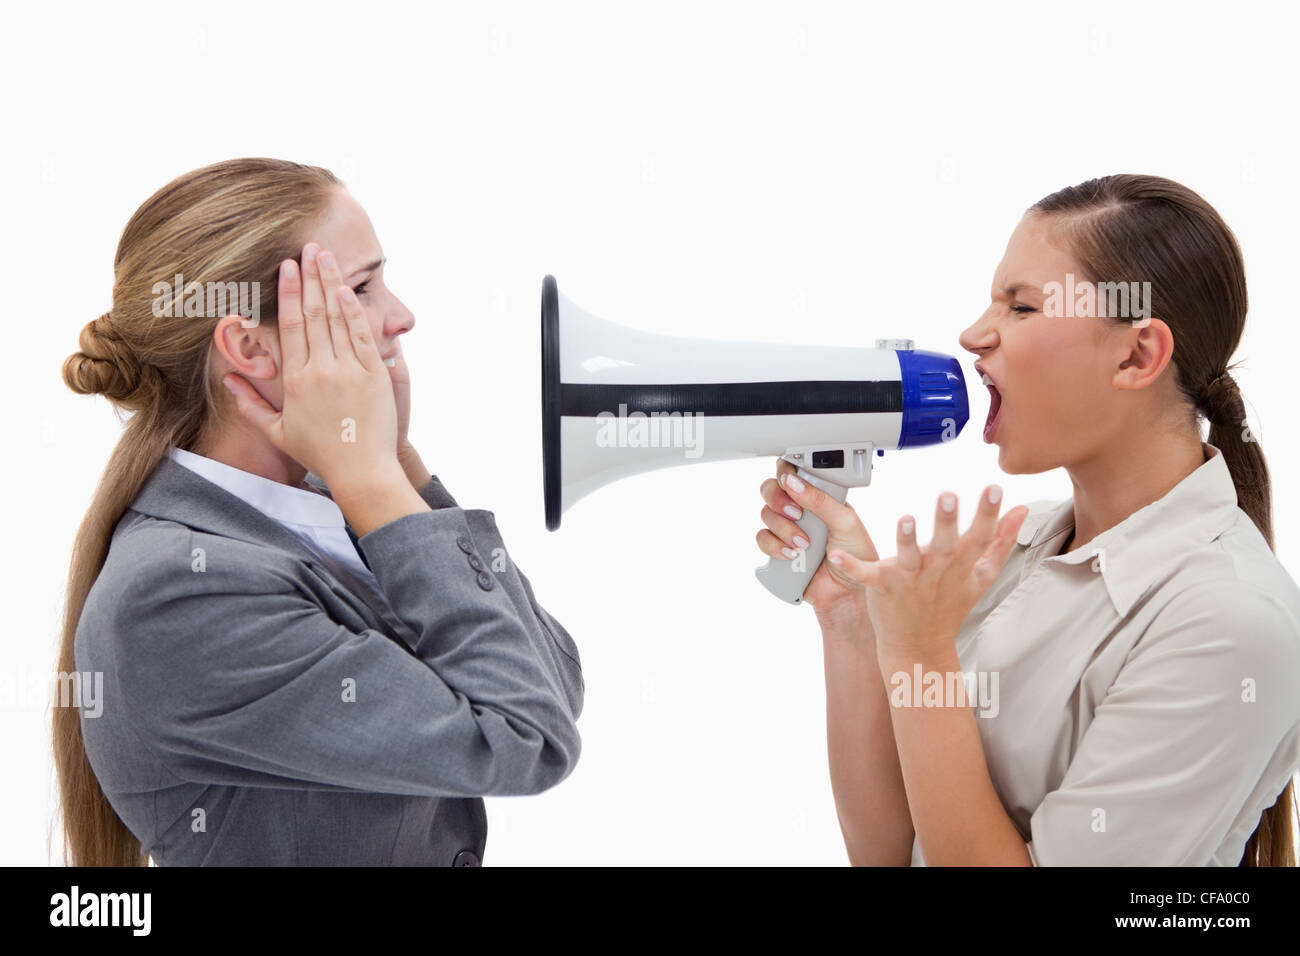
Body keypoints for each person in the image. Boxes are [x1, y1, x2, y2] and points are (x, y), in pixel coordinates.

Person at [756, 174, 1300, 866]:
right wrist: (853, 620)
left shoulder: (1228, 624)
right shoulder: (1021, 548)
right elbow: (892, 853)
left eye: (1020, 307)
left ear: (1137, 355)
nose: (973, 334)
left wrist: (922, 654)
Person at [55, 157, 584, 866]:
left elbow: (551, 682)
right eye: (362, 287)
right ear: (249, 346)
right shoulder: (174, 594)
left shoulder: (327, 507)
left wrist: (397, 465)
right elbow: (527, 737)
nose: (401, 316)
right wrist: (373, 478)